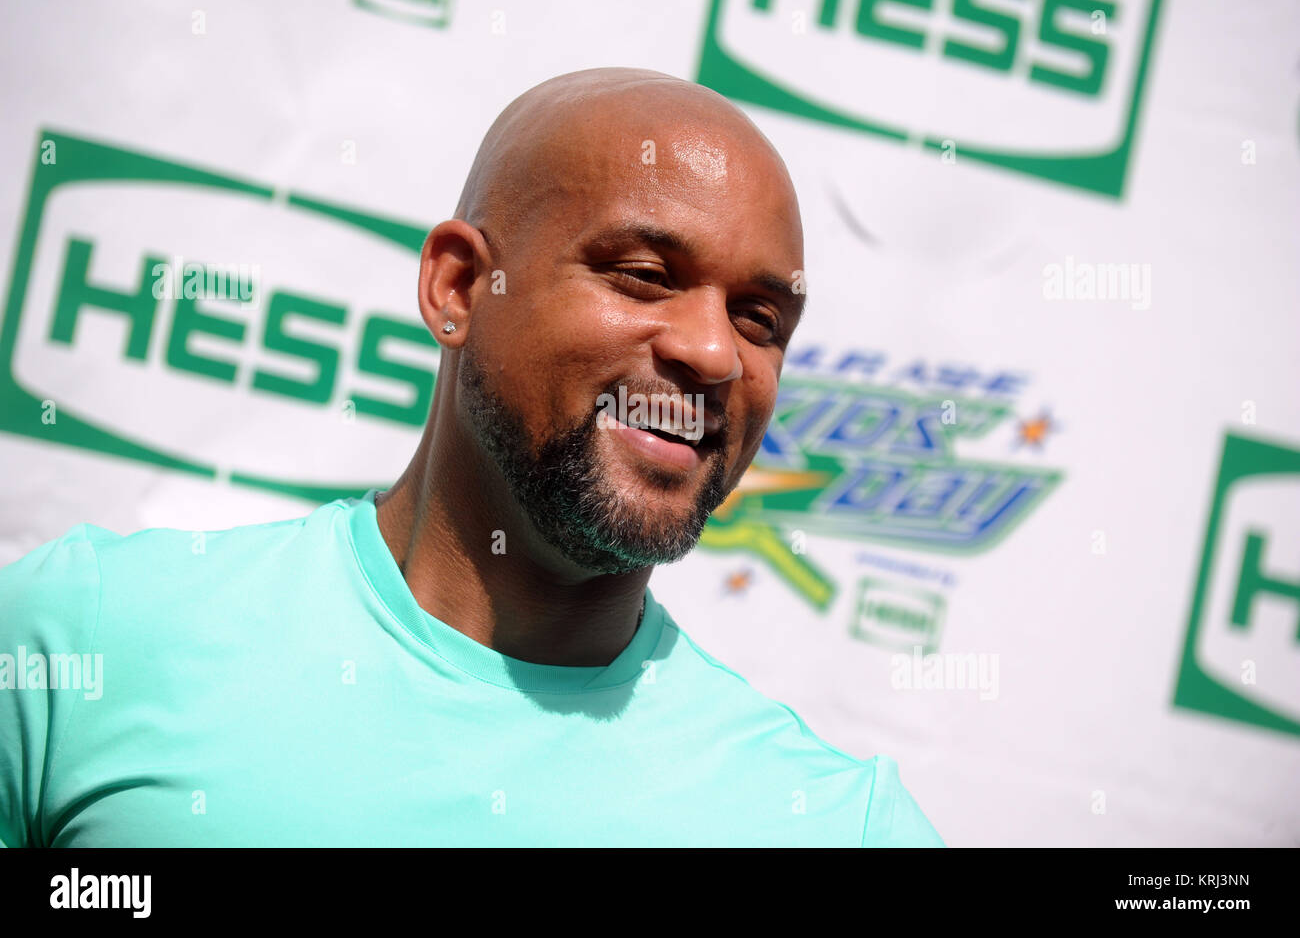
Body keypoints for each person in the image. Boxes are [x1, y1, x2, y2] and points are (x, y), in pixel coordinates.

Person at [0, 67, 943, 847]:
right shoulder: (85, 641)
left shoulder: (832, 824)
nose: (712, 352)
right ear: (459, 285)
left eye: (759, 318)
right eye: (645, 276)